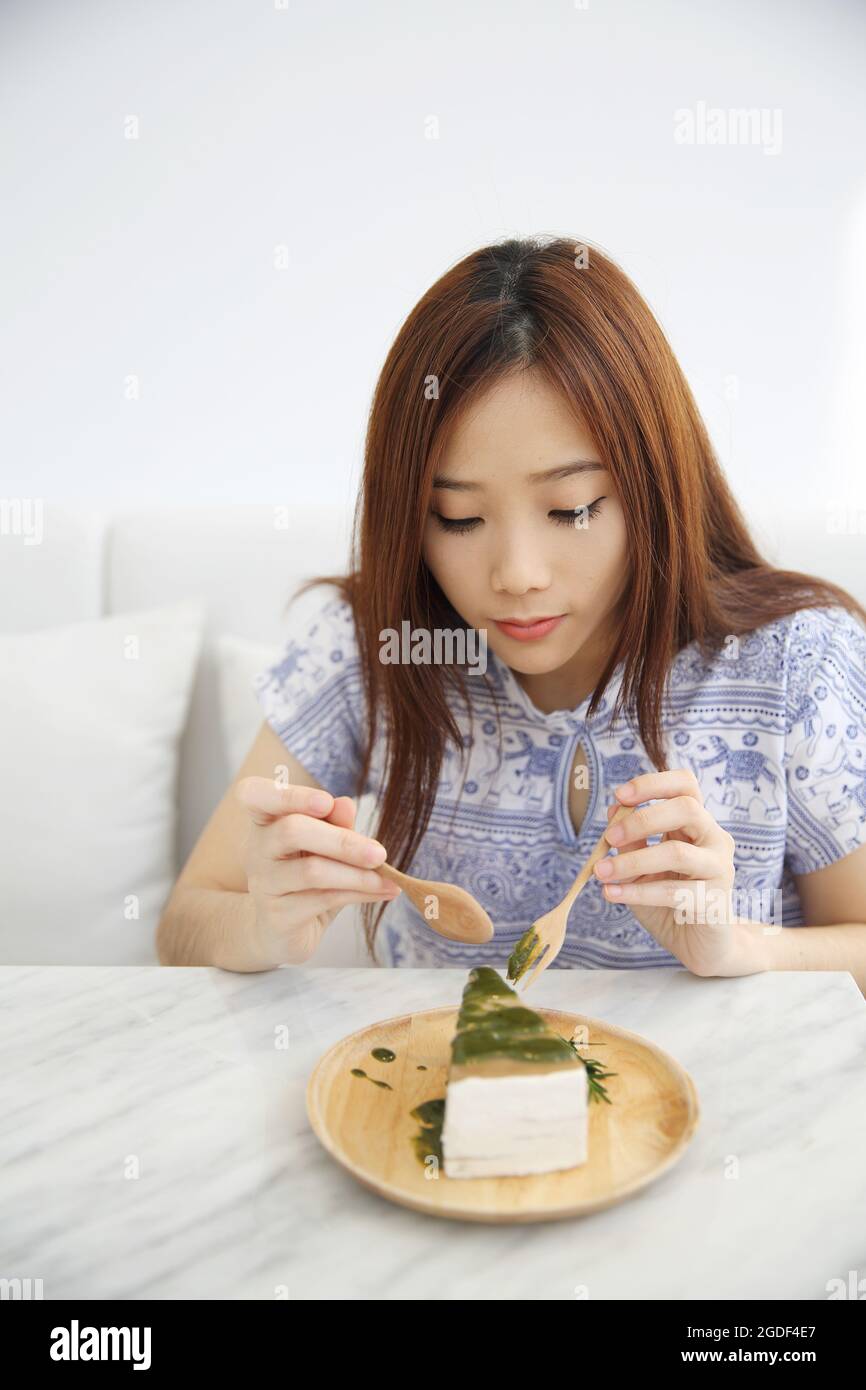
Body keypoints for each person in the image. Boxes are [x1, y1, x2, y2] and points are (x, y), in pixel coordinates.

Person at [157, 236, 866, 990]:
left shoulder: (794, 664)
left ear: (654, 487)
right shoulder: (378, 649)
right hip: (435, 1100)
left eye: (570, 509)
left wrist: (742, 948)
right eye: (458, 518)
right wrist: (266, 923)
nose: (517, 576)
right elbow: (185, 922)